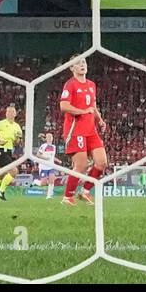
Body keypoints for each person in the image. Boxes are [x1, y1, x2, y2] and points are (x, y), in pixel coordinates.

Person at [60, 56, 108, 207]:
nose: (82, 65)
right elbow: (64, 106)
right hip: (75, 130)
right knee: (80, 166)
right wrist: (82, 110)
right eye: (78, 63)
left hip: (91, 130)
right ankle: (67, 197)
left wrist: (99, 119)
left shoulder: (91, 85)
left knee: (101, 163)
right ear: (71, 68)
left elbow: (92, 106)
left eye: (84, 62)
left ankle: (85, 191)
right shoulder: (70, 84)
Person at [36, 131, 59, 199]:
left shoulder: (54, 147)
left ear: (52, 138)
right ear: (46, 138)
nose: (50, 138)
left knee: (52, 181)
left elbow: (52, 157)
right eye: (48, 137)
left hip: (51, 166)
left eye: (51, 136)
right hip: (43, 167)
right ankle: (35, 182)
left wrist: (58, 160)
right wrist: (45, 158)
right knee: (43, 183)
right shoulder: (43, 146)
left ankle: (49, 196)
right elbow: (38, 155)